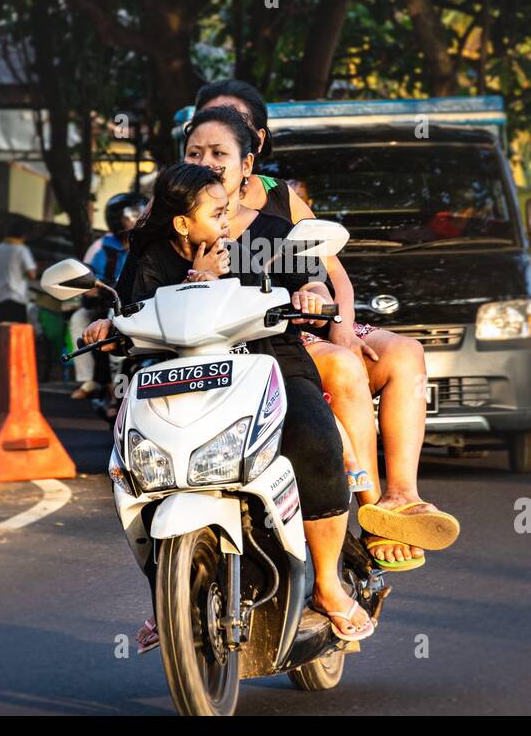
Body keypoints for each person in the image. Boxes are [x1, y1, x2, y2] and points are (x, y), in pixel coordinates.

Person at [84, 147, 377, 644]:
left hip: (274, 365)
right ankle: (170, 589)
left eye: (227, 208)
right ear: (181, 223)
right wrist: (106, 324)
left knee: (314, 439)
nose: (227, 222)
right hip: (180, 377)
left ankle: (327, 584)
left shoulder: (270, 236)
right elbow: (129, 307)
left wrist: (309, 292)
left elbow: (313, 277)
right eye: (216, 213)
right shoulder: (151, 255)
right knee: (132, 468)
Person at [192, 79, 460, 570]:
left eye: (231, 133)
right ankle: (370, 508)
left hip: (304, 324)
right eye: (202, 140)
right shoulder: (173, 206)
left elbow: (329, 273)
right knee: (340, 366)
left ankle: (397, 501)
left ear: (253, 144)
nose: (212, 153)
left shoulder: (280, 200)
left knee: (403, 353)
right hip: (231, 341)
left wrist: (341, 324)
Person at [69, 193, 147, 401]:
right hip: (107, 304)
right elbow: (87, 281)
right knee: (79, 319)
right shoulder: (100, 248)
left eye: (140, 212)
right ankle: (91, 380)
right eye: (130, 215)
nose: (135, 219)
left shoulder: (153, 242)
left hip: (144, 305)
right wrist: (91, 290)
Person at [0, 217, 37, 324]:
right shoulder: (22, 250)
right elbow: (32, 274)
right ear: (24, 236)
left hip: (0, 297)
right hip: (17, 297)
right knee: (17, 333)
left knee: (3, 331)